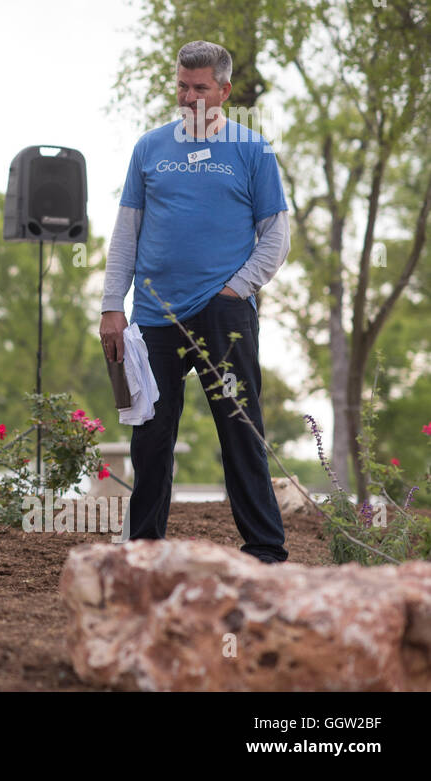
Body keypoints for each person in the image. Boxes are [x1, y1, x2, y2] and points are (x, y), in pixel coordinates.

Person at [99, 39, 290, 563]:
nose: (188, 97)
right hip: (154, 315)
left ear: (224, 91)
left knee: (239, 428)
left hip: (222, 313)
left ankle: (265, 550)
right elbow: (126, 234)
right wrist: (112, 304)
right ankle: (143, 551)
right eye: (182, 85)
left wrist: (236, 290)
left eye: (199, 88)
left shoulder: (253, 149)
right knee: (150, 437)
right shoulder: (149, 147)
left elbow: (276, 237)